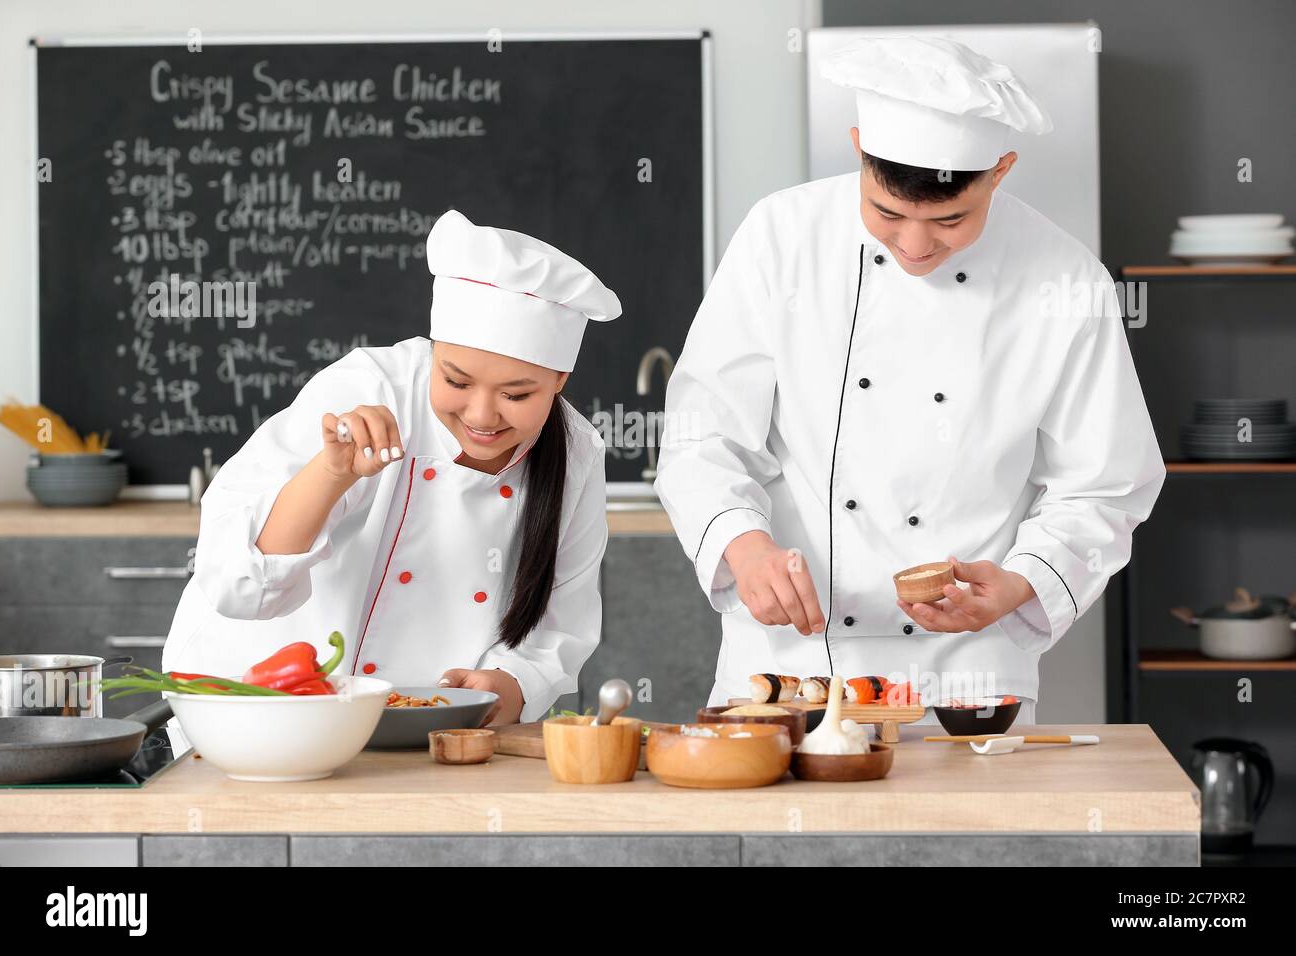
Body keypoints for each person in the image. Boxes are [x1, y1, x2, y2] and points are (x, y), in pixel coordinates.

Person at [654, 36, 1166, 722]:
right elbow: (704, 432)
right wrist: (743, 549)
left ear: (1001, 170)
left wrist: (1019, 583)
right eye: (888, 214)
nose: (916, 246)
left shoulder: (1065, 281)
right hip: (788, 670)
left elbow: (1106, 483)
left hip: (968, 684)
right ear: (859, 148)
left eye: (950, 219)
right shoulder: (781, 236)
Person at [162, 210, 619, 737]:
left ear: (560, 378)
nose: (481, 415)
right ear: (433, 352)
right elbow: (242, 583)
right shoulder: (368, 389)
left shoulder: (577, 453)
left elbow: (561, 617)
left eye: (516, 394)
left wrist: (512, 681)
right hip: (260, 713)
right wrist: (333, 473)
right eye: (456, 380)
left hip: (429, 727)